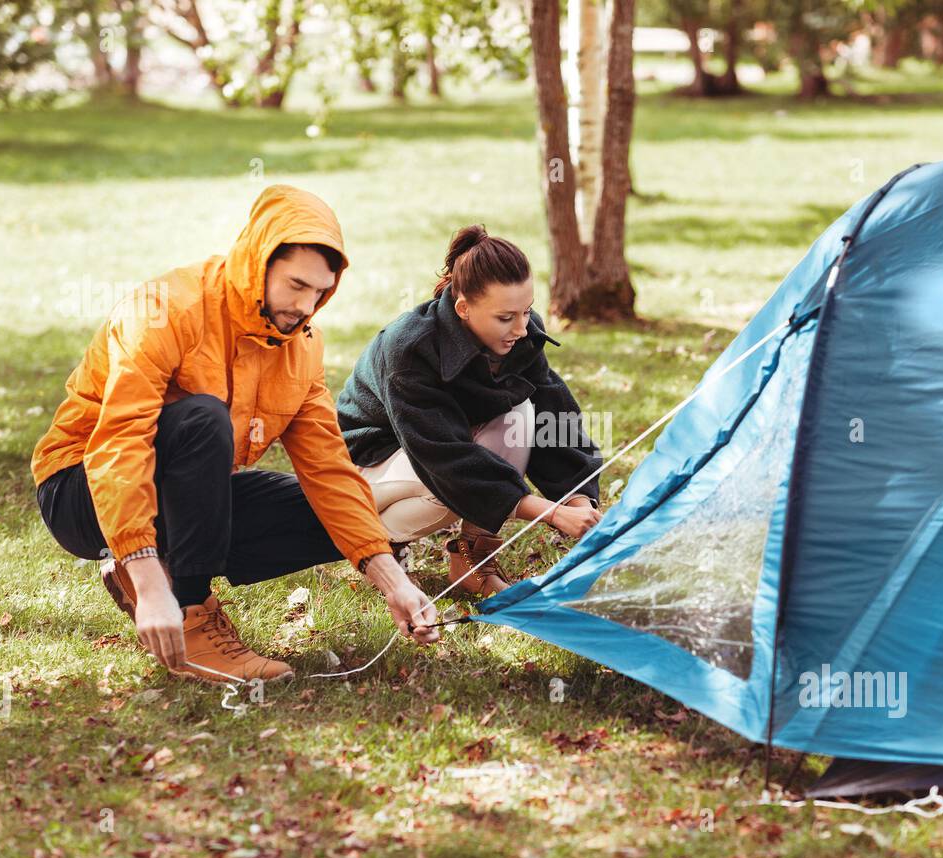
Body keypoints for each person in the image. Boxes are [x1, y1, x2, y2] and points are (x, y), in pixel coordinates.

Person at [31, 185, 438, 684]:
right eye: (295, 285)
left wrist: (391, 580)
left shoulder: (301, 346)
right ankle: (186, 604)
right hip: (82, 489)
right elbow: (119, 444)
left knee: (344, 518)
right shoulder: (166, 309)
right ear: (257, 261)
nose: (306, 306)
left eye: (320, 292)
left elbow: (328, 469)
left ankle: (160, 567)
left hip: (180, 497)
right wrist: (146, 574)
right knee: (204, 418)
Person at [335, 225, 604, 598]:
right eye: (505, 317)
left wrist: (579, 500)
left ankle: (472, 562)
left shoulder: (523, 335)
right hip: (365, 468)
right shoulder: (409, 349)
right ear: (463, 308)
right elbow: (446, 460)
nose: (522, 328)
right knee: (444, 492)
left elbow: (552, 418)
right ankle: (378, 546)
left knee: (520, 415)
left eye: (526, 311)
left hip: (434, 453)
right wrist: (553, 513)